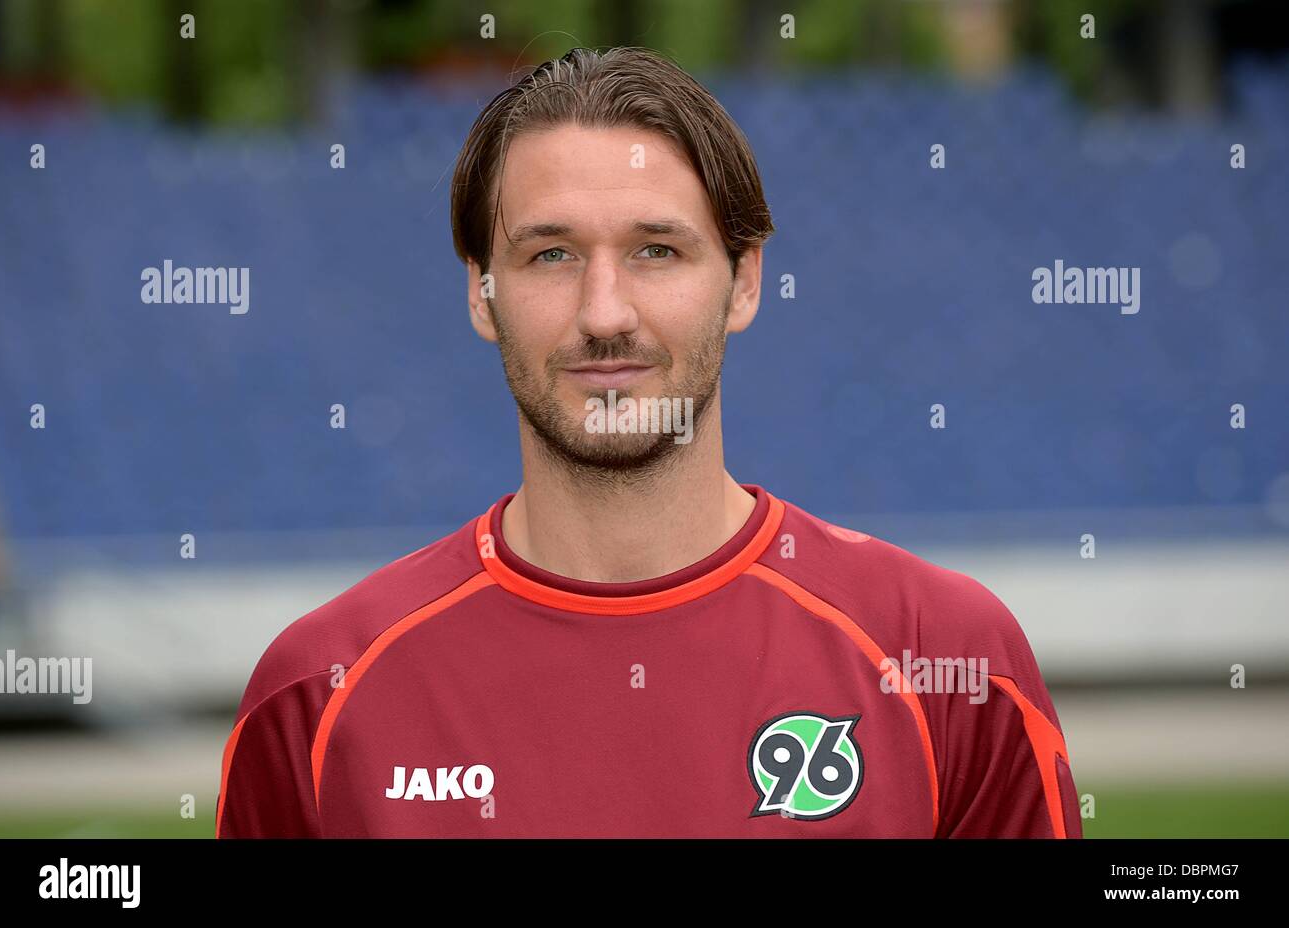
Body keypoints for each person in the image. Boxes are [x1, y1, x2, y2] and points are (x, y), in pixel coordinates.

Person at [217, 46, 1080, 838]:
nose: (604, 314)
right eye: (550, 255)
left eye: (656, 251)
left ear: (743, 282)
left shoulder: (944, 661)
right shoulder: (321, 694)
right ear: (482, 295)